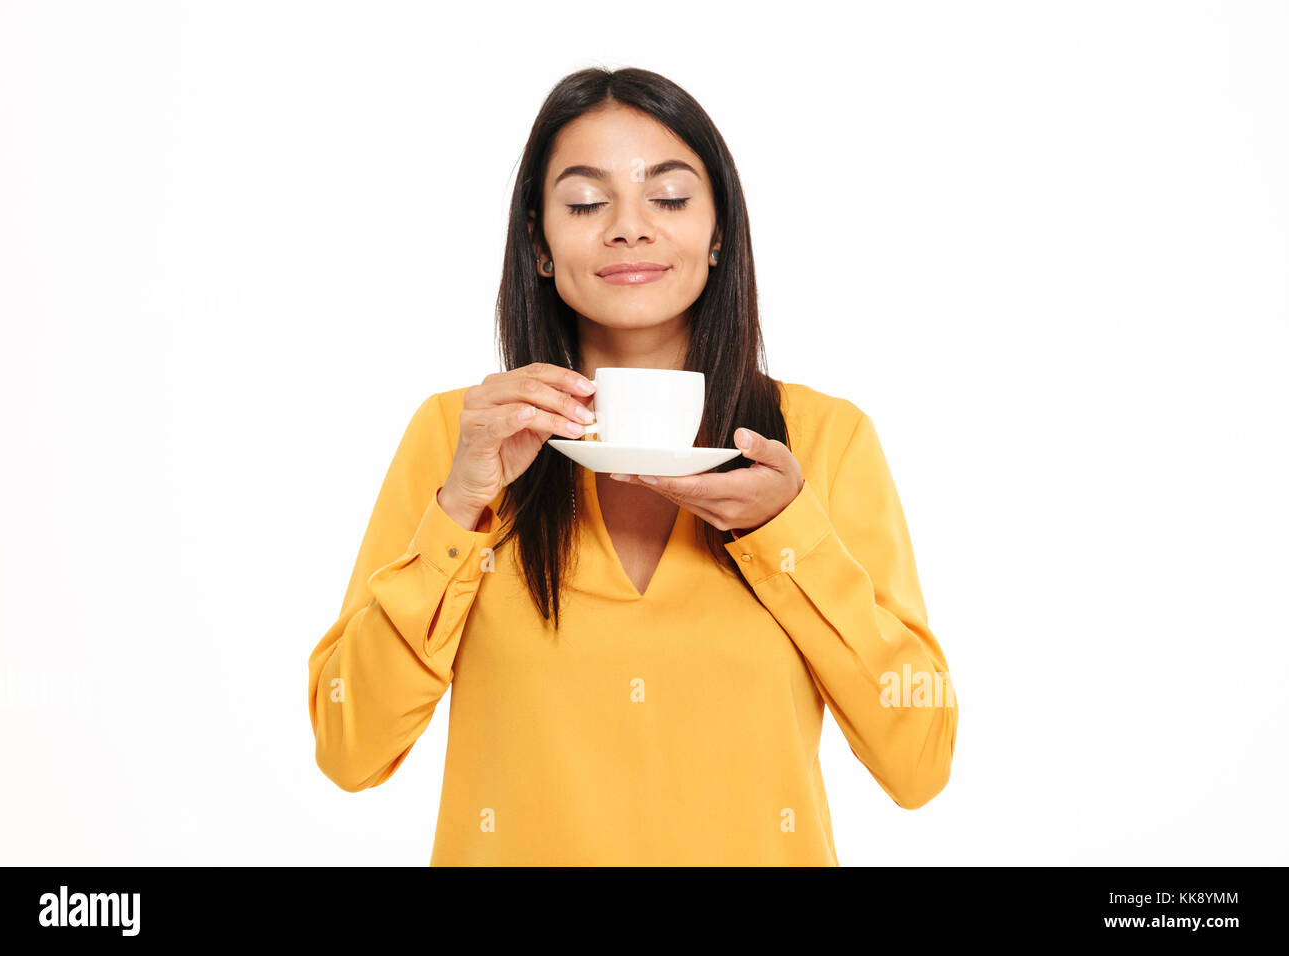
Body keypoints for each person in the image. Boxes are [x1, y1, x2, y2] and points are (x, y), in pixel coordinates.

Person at [307, 66, 958, 866]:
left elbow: (920, 762)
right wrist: (460, 508)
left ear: (719, 233)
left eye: (671, 198)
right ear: (539, 243)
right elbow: (348, 747)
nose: (628, 228)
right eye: (585, 203)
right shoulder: (463, 435)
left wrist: (789, 534)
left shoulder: (822, 440)